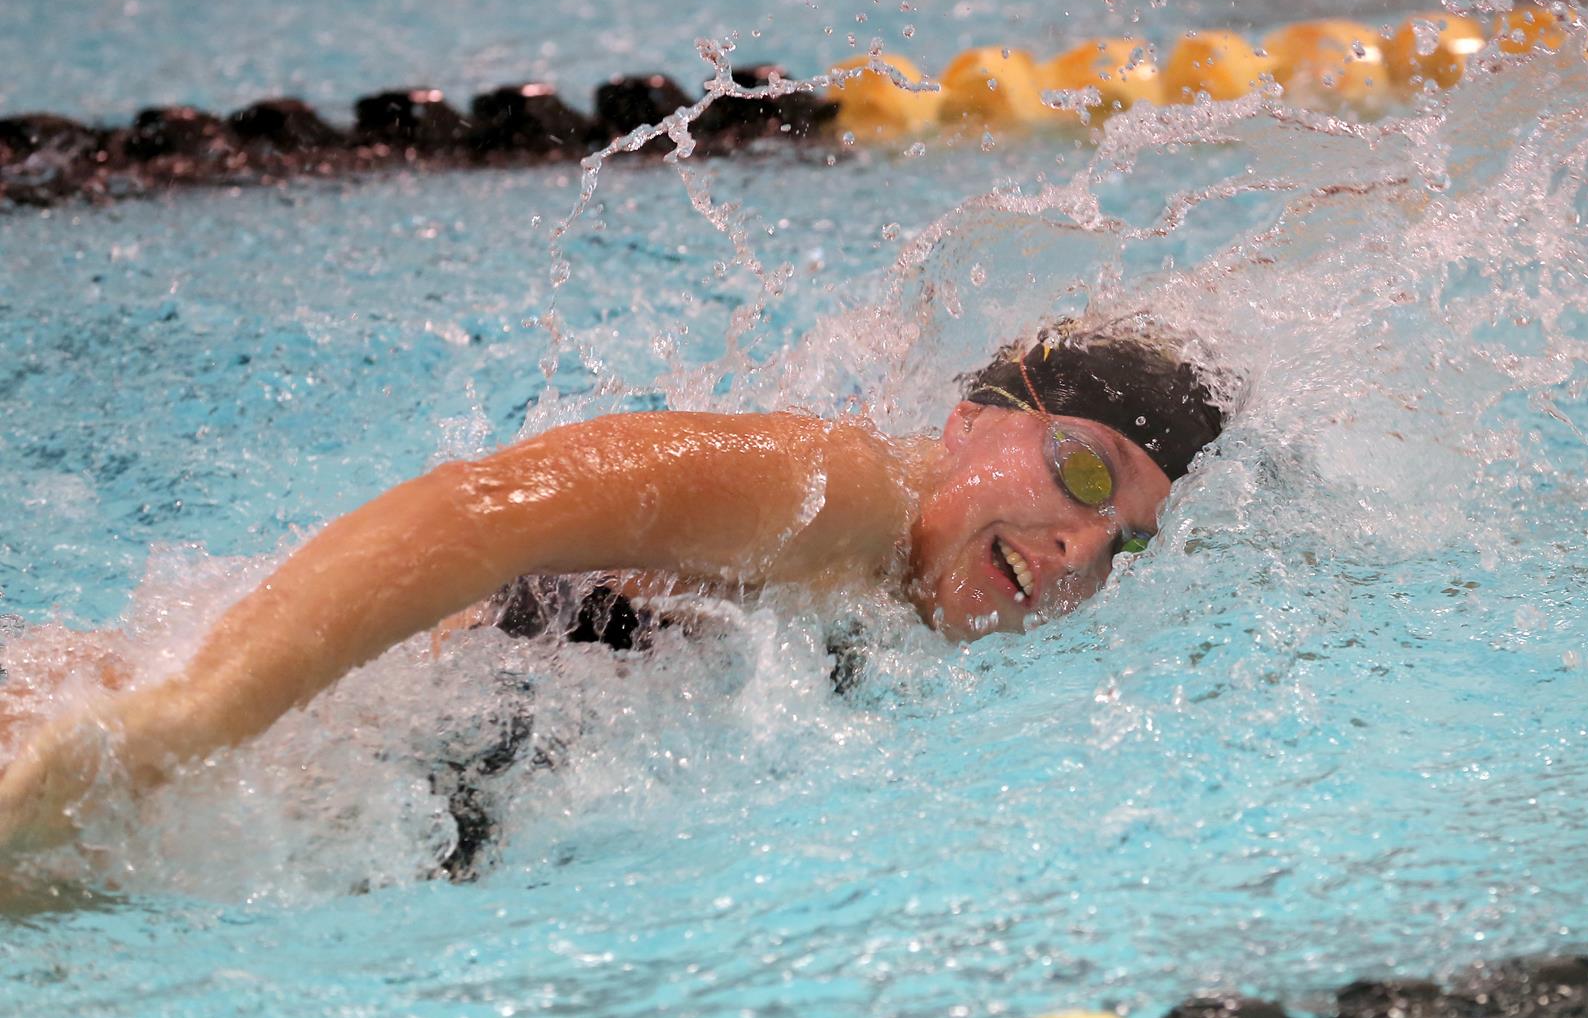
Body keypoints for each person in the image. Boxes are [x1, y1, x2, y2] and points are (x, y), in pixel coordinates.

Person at [0, 322, 1227, 855]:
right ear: (974, 416)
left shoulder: (897, 604)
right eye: (1083, 470)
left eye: (1125, 541)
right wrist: (195, 718)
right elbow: (479, 508)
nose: (1080, 544)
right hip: (253, 750)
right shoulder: (835, 490)